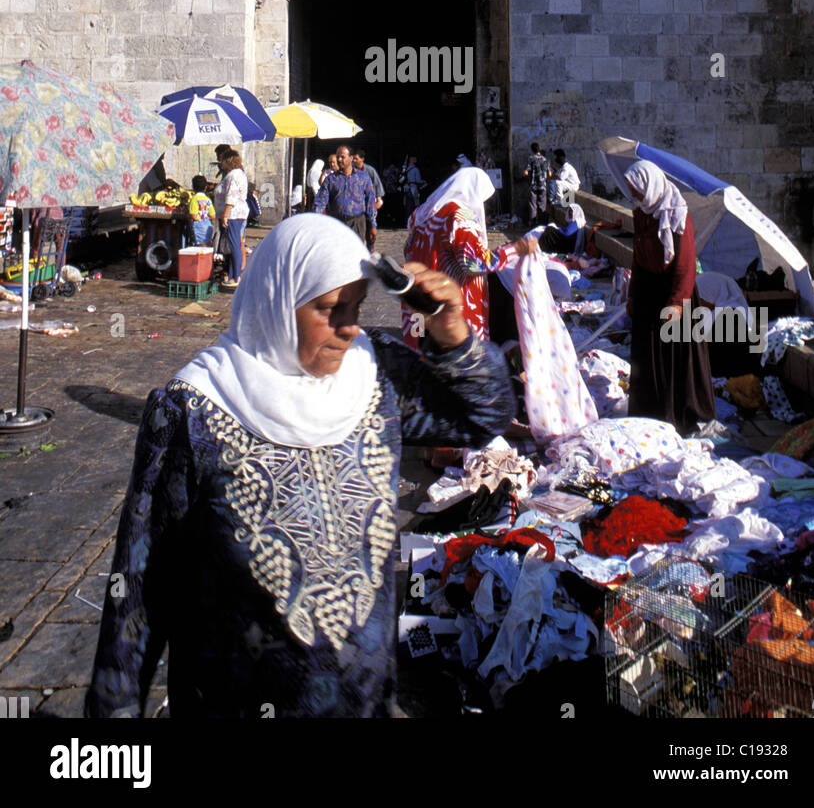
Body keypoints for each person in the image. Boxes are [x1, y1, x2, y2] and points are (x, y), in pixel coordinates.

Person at [85, 215, 515, 718]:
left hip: (364, 703)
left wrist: (454, 334)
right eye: (330, 310)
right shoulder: (193, 413)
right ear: (279, 300)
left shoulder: (374, 377)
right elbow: (140, 589)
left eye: (356, 306)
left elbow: (483, 416)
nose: (349, 327)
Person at [624, 159, 715, 433]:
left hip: (674, 294)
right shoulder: (641, 212)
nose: (634, 196)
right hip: (649, 293)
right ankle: (649, 411)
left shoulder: (676, 213)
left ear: (649, 185)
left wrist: (676, 304)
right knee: (647, 358)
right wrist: (632, 295)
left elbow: (685, 264)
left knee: (677, 359)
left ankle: (680, 414)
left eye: (637, 190)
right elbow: (638, 258)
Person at [402, 167, 496, 346]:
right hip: (449, 302)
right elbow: (474, 264)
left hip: (418, 299)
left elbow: (407, 250)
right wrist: (515, 252)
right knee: (451, 356)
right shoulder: (460, 215)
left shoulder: (422, 213)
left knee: (419, 352)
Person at [314, 144, 377, 247]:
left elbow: (370, 202)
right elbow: (320, 202)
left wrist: (373, 225)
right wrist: (315, 221)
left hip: (357, 223)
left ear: (351, 158)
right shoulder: (330, 180)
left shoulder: (363, 178)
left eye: (342, 157)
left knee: (355, 255)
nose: (339, 159)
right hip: (336, 223)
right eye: (338, 156)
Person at [215, 150, 249, 288]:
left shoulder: (232, 176)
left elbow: (231, 196)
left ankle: (236, 276)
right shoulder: (238, 174)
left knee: (234, 244)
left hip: (233, 214)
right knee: (232, 244)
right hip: (236, 213)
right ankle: (231, 274)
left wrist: (225, 214)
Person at [523, 142, 549, 227]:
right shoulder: (545, 160)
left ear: (532, 150)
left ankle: (533, 224)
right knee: (542, 205)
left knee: (533, 206)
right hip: (543, 186)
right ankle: (542, 224)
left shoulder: (531, 158)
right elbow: (550, 174)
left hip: (533, 186)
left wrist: (528, 176)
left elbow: (526, 172)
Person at [188, 175, 216, 247]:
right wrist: (205, 216)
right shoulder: (207, 199)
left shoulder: (194, 199)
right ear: (205, 187)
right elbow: (213, 216)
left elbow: (193, 216)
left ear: (193, 187)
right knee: (208, 244)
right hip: (208, 225)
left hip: (198, 226)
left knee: (201, 246)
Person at [400, 155, 425, 223]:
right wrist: (424, 182)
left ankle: (407, 221)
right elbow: (418, 180)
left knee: (407, 206)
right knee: (414, 207)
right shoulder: (416, 169)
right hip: (413, 189)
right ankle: (413, 222)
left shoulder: (405, 169)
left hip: (406, 189)